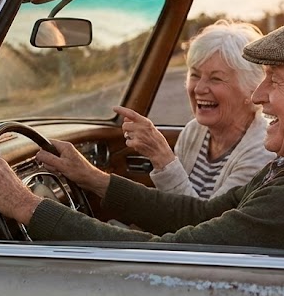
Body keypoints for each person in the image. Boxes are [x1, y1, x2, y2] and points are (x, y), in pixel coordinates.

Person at [0, 15, 284, 254]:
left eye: (275, 81)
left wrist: (25, 204)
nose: (259, 95)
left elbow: (165, 253)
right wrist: (95, 179)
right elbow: (199, 217)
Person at [117, 19, 275, 199]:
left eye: (216, 79)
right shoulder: (194, 131)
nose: (199, 88)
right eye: (195, 75)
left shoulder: (263, 151)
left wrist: (163, 159)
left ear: (252, 89)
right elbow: (169, 207)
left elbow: (210, 223)